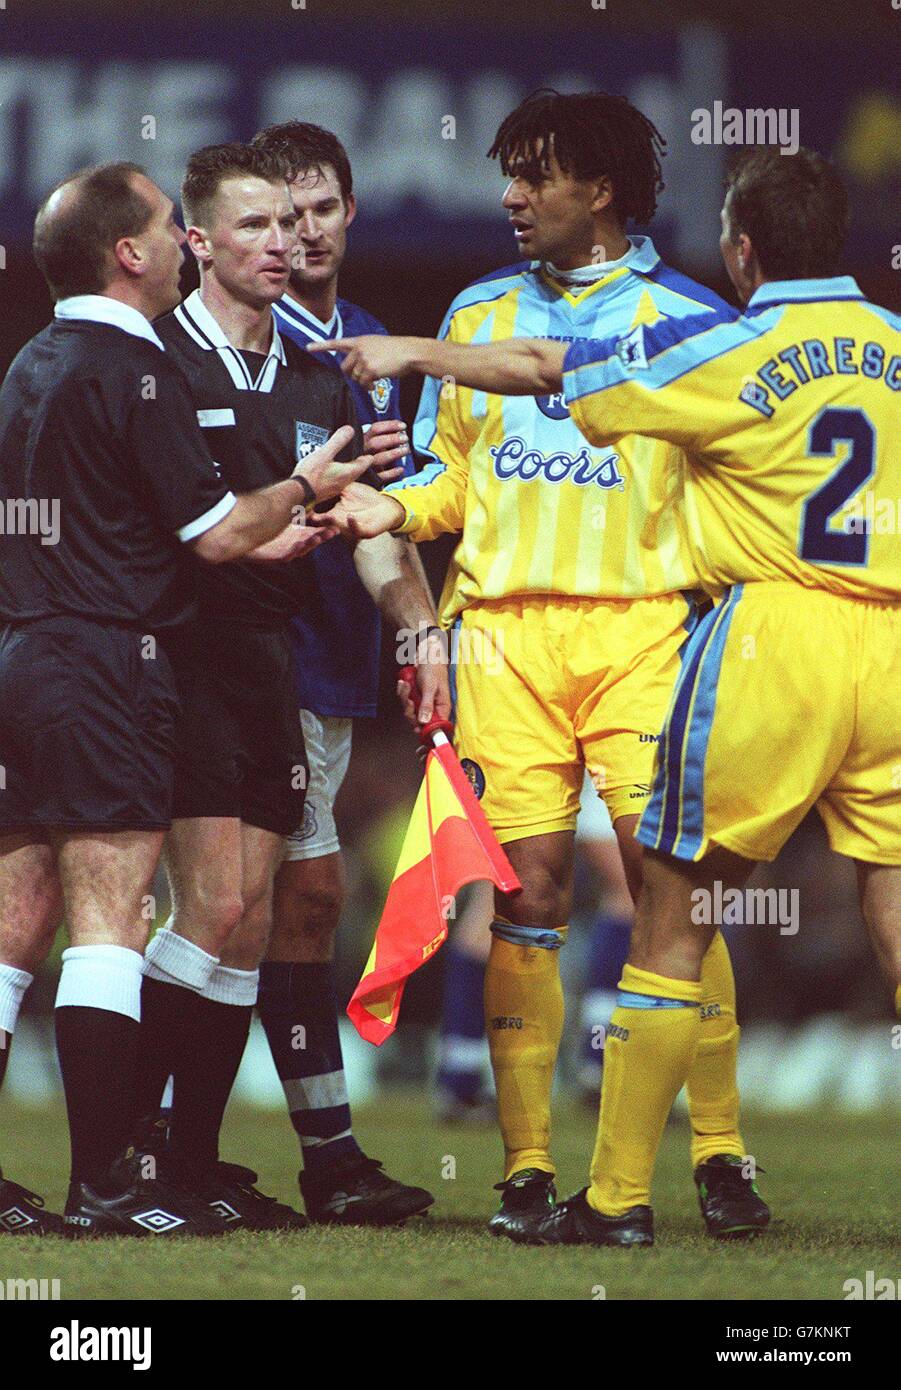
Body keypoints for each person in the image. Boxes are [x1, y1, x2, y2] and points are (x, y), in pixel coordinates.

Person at [325, 146, 901, 1247]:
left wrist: (409, 347)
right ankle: (531, 1165)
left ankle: (648, 1182)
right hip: (846, 634)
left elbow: (551, 367)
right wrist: (400, 513)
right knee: (544, 895)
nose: (512, 198)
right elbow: (457, 465)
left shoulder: (708, 330)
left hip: (740, 630)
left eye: (537, 176)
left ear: (740, 249)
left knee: (670, 895)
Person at [0, 162, 363, 1236]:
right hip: (110, 658)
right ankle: (109, 1181)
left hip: (24, 653)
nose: (180, 242)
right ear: (131, 252)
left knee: (16, 923)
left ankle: (118, 1171)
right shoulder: (135, 366)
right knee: (113, 917)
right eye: (172, 225)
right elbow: (211, 533)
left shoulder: (29, 361)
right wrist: (310, 484)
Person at [249, 121, 446, 1224]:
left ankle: (325, 1156)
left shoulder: (371, 342)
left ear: (351, 210)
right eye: (280, 214)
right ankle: (150, 1149)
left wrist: (417, 630)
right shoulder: (240, 334)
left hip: (332, 660)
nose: (302, 231)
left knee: (306, 901)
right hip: (249, 659)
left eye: (319, 207)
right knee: (227, 905)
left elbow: (389, 523)